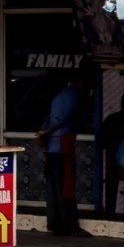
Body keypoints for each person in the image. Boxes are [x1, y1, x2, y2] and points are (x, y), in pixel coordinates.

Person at [36, 74, 88, 235]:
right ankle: (68, 224)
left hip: (53, 147)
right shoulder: (72, 95)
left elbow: (49, 119)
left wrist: (44, 134)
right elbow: (59, 121)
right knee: (65, 187)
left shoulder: (59, 96)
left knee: (53, 187)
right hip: (61, 146)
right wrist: (46, 133)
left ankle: (55, 222)